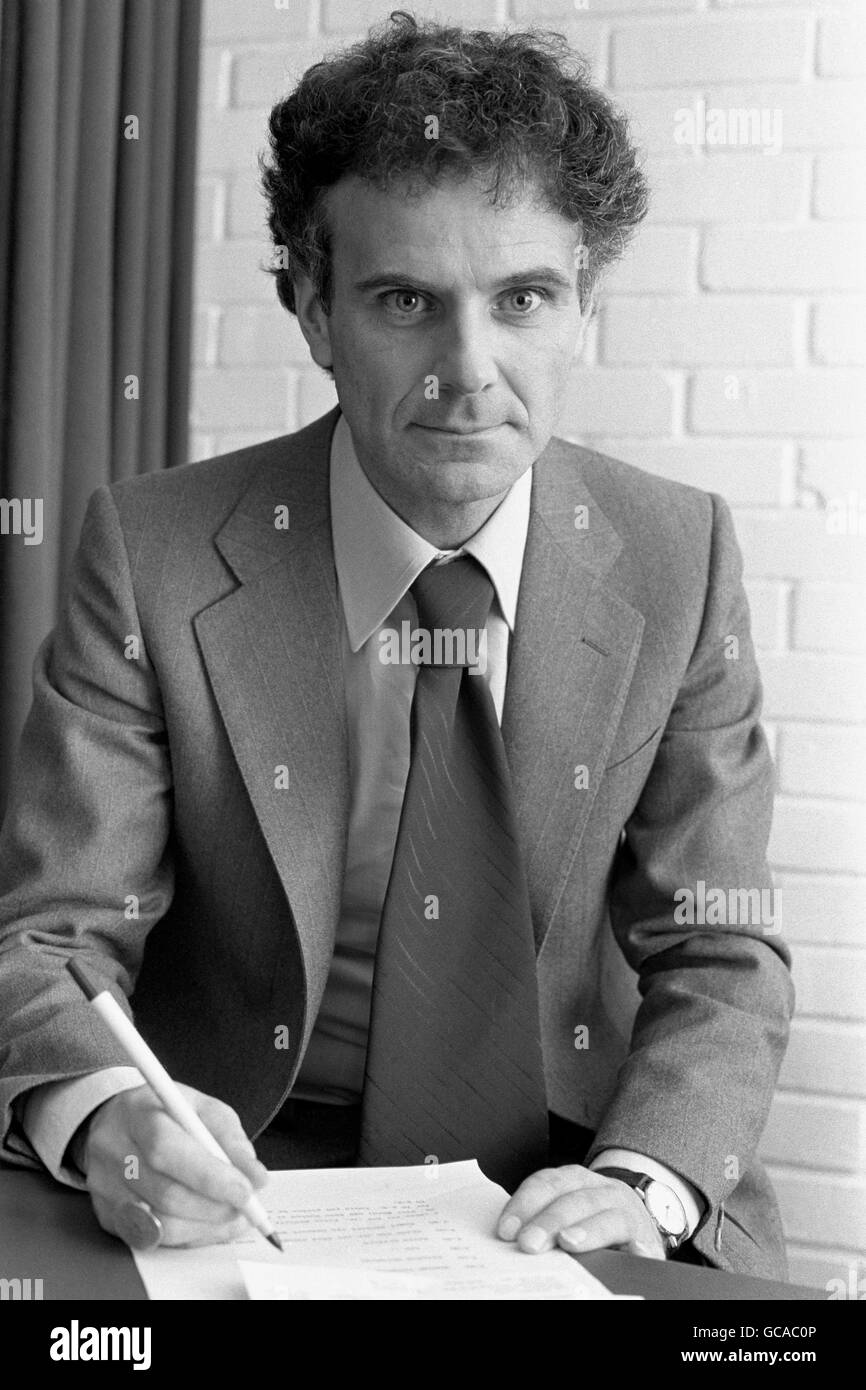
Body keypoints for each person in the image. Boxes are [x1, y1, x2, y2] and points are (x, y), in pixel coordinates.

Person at [0, 12, 793, 1278]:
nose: (466, 370)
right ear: (312, 311)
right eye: (404, 301)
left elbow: (720, 943)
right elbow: (48, 937)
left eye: (522, 298)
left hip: (566, 1168)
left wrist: (643, 1179)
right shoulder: (150, 553)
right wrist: (107, 1119)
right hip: (237, 1170)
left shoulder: (677, 556)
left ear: (581, 305)